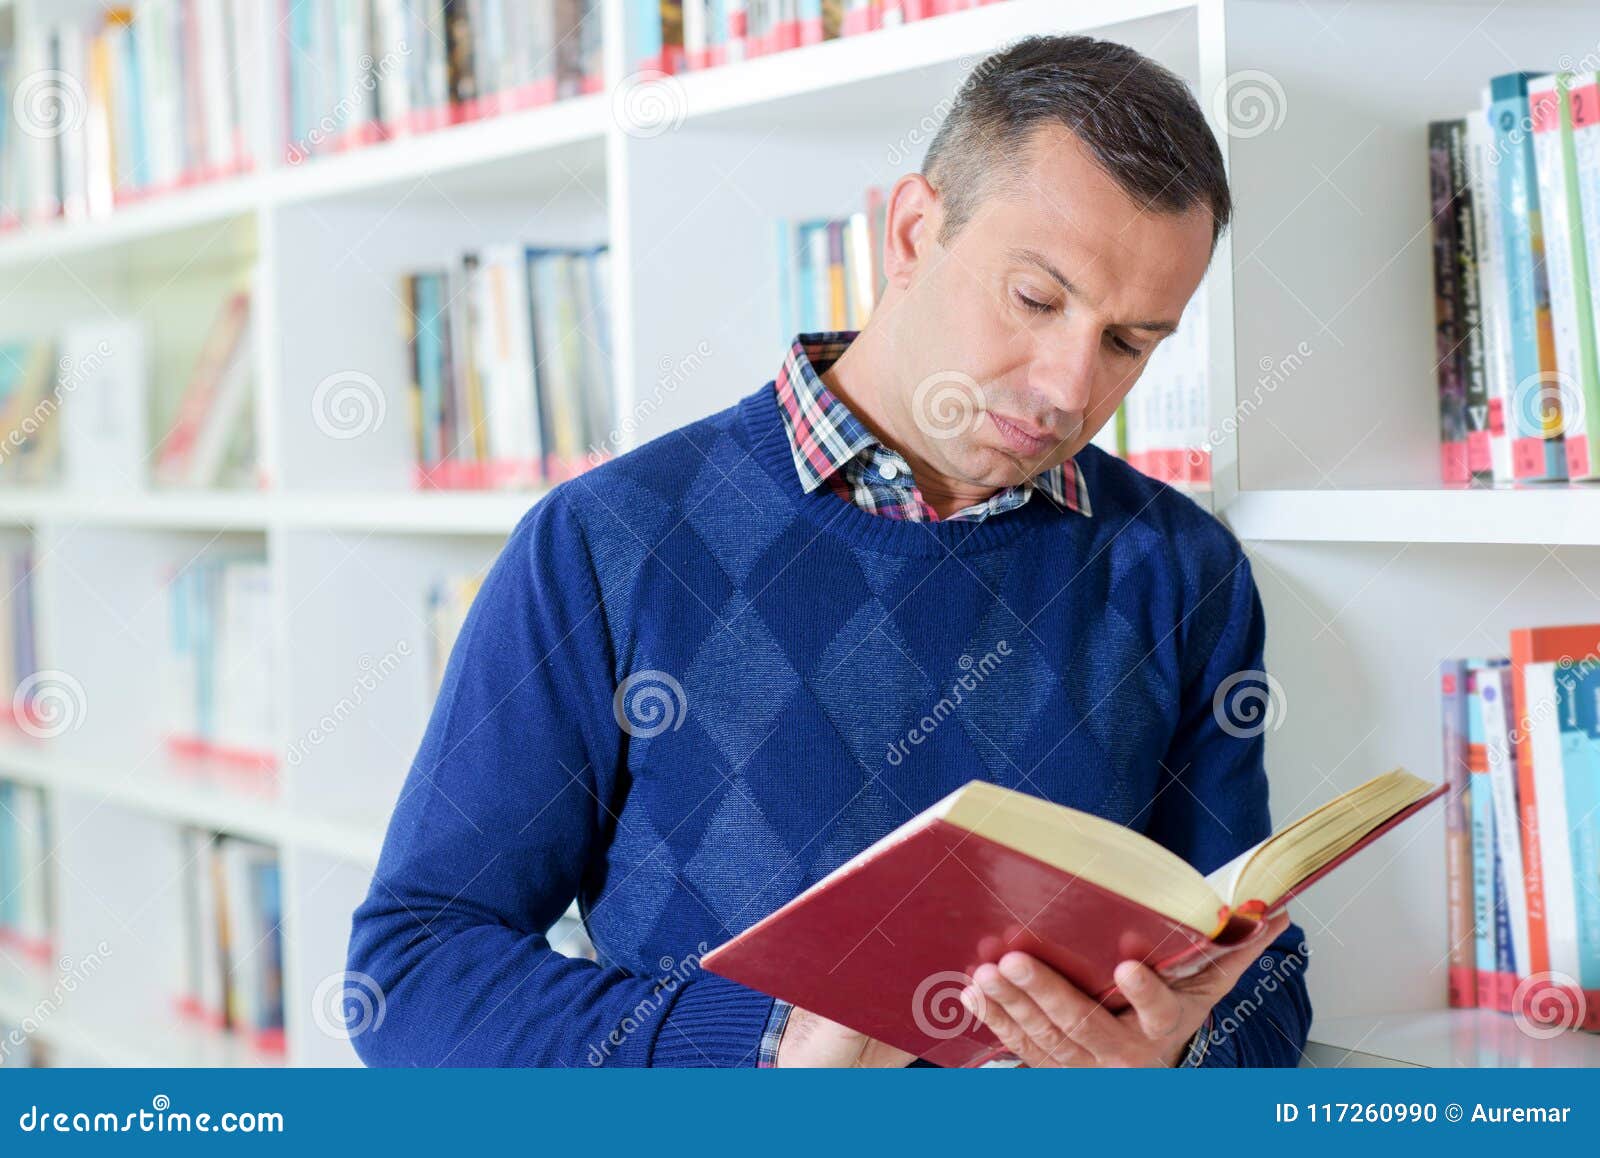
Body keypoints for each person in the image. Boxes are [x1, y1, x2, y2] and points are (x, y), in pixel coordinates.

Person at [347, 32, 1312, 1068]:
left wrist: (1179, 1058)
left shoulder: (1178, 568)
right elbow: (410, 975)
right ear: (910, 232)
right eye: (1035, 300)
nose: (1071, 388)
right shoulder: (609, 542)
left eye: (1130, 342)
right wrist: (770, 1049)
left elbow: (1254, 975)